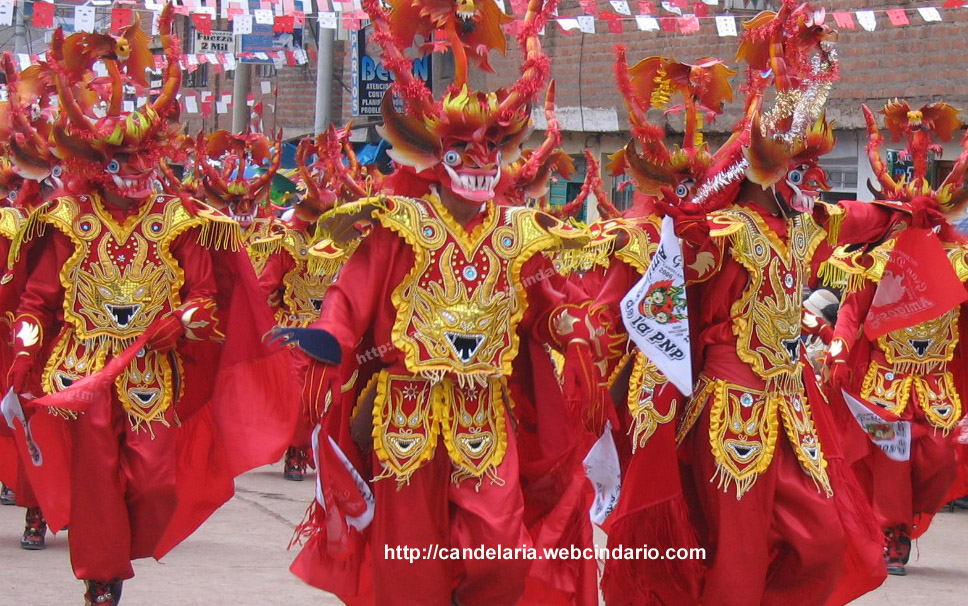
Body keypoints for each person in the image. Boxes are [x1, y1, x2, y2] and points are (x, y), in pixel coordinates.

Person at [4, 9, 298, 603]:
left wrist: (184, 323)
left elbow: (203, 299)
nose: (138, 171)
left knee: (153, 480)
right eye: (124, 161)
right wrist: (25, 350)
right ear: (96, 166)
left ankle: (118, 549)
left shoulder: (181, 223)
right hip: (81, 371)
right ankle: (101, 576)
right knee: (95, 479)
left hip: (148, 374)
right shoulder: (65, 221)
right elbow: (37, 302)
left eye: (146, 158)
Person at [823, 99, 968, 576]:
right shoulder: (877, 262)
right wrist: (840, 350)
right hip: (884, 384)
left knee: (940, 456)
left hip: (934, 386)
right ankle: (893, 535)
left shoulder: (960, 263)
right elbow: (851, 311)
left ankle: (909, 516)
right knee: (889, 458)